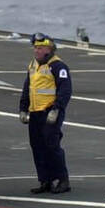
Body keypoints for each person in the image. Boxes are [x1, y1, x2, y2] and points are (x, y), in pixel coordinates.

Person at [18, 33, 72, 194]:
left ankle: (62, 180)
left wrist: (56, 109)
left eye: (39, 48)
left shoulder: (58, 66)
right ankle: (45, 180)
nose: (36, 51)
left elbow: (65, 90)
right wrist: (23, 108)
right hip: (35, 112)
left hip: (50, 112)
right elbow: (28, 87)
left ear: (49, 49)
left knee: (52, 146)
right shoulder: (33, 65)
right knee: (37, 146)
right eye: (35, 48)